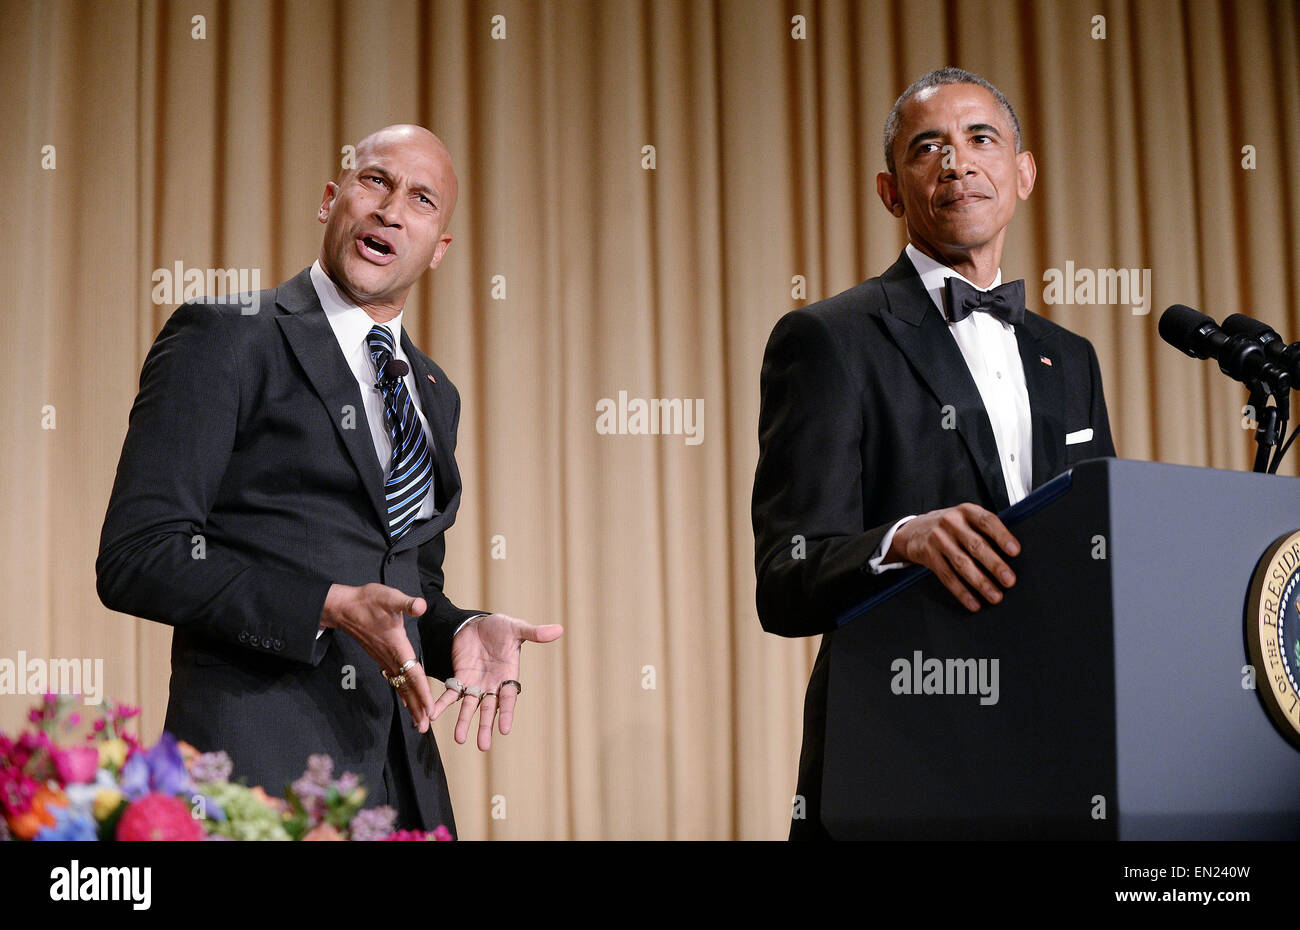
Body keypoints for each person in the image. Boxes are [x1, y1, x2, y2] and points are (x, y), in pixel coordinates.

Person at [97, 125, 562, 835]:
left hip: (401, 783)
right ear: (330, 200)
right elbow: (139, 556)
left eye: (421, 199)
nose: (390, 208)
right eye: (375, 180)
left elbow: (405, 590)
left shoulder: (435, 393)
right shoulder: (227, 337)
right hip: (257, 773)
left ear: (438, 249)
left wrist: (458, 629)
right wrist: (326, 604)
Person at [751, 69, 1115, 840]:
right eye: (929, 148)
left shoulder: (1070, 357)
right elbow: (783, 579)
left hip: (1059, 753)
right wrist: (898, 540)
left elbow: (1099, 552)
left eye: (981, 138)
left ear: (1023, 172)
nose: (957, 162)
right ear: (891, 191)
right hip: (903, 752)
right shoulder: (829, 340)